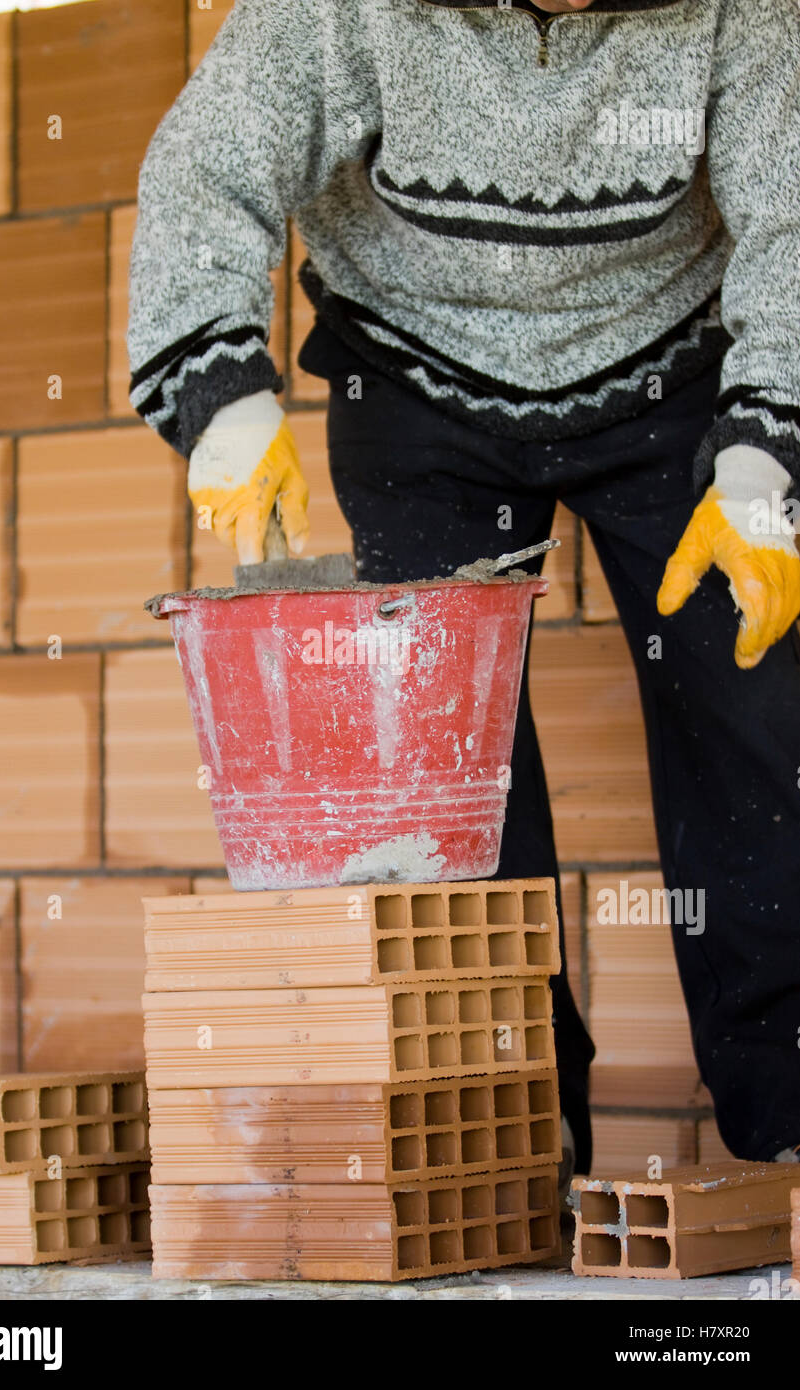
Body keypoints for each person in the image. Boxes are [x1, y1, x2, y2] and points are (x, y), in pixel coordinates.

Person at [127, 0, 800, 1174]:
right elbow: (206, 164)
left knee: (753, 723)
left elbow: (794, 216)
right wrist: (223, 400)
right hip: (413, 387)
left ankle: (789, 1120)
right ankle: (511, 1136)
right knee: (450, 783)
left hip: (674, 381)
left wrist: (764, 462)